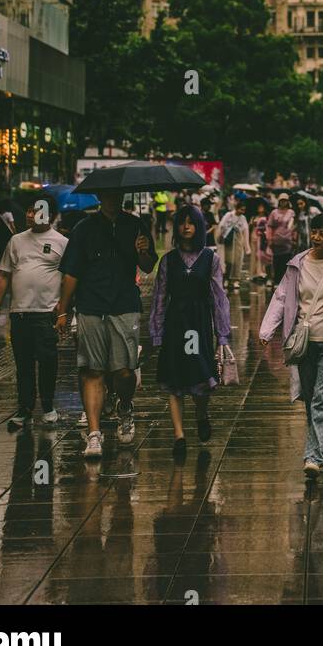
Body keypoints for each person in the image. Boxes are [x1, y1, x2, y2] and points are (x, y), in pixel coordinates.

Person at [56, 190, 157, 458]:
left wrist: (142, 252)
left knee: (124, 371)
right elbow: (71, 272)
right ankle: (94, 434)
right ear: (101, 197)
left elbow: (147, 267)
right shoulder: (84, 229)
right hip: (91, 306)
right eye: (108, 196)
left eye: (117, 195)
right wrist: (63, 310)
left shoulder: (135, 225)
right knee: (92, 370)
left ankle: (125, 405)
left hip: (124, 306)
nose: (113, 200)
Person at [259, 213, 323, 478]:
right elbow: (282, 297)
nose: (316, 237)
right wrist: (267, 329)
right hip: (303, 343)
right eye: (314, 231)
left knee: (322, 399)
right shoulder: (297, 264)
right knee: (310, 399)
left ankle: (313, 457)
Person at [149, 200, 231, 460]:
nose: (186, 227)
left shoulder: (211, 259)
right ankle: (179, 436)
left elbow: (219, 297)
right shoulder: (168, 261)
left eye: (191, 222)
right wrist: (157, 330)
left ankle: (201, 413)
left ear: (199, 226)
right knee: (175, 381)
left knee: (199, 377)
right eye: (181, 222)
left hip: (198, 323)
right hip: (175, 323)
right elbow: (160, 297)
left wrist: (222, 334)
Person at [0, 192, 66, 428]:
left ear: (51, 216)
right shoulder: (16, 241)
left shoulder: (62, 242)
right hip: (20, 312)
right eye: (30, 210)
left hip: (46, 314)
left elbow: (71, 278)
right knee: (23, 362)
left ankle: (48, 405)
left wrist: (63, 307)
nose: (31, 215)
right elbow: (4, 273)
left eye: (37, 210)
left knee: (47, 360)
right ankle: (24, 408)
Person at [218, 201, 250, 290]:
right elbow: (222, 225)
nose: (242, 211)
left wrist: (246, 246)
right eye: (241, 209)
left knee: (237, 261)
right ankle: (226, 279)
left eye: (244, 210)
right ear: (237, 208)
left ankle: (235, 280)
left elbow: (246, 231)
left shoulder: (243, 218)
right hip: (229, 241)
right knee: (229, 261)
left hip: (238, 241)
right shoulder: (229, 215)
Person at [267, 193, 296, 286]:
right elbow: (269, 226)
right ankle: (276, 280)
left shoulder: (291, 212)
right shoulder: (274, 212)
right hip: (276, 239)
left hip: (288, 240)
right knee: (276, 261)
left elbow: (294, 226)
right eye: (282, 200)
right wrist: (269, 239)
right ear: (279, 201)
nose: (283, 202)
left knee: (286, 261)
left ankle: (284, 281)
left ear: (288, 202)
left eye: (285, 201)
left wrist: (294, 238)